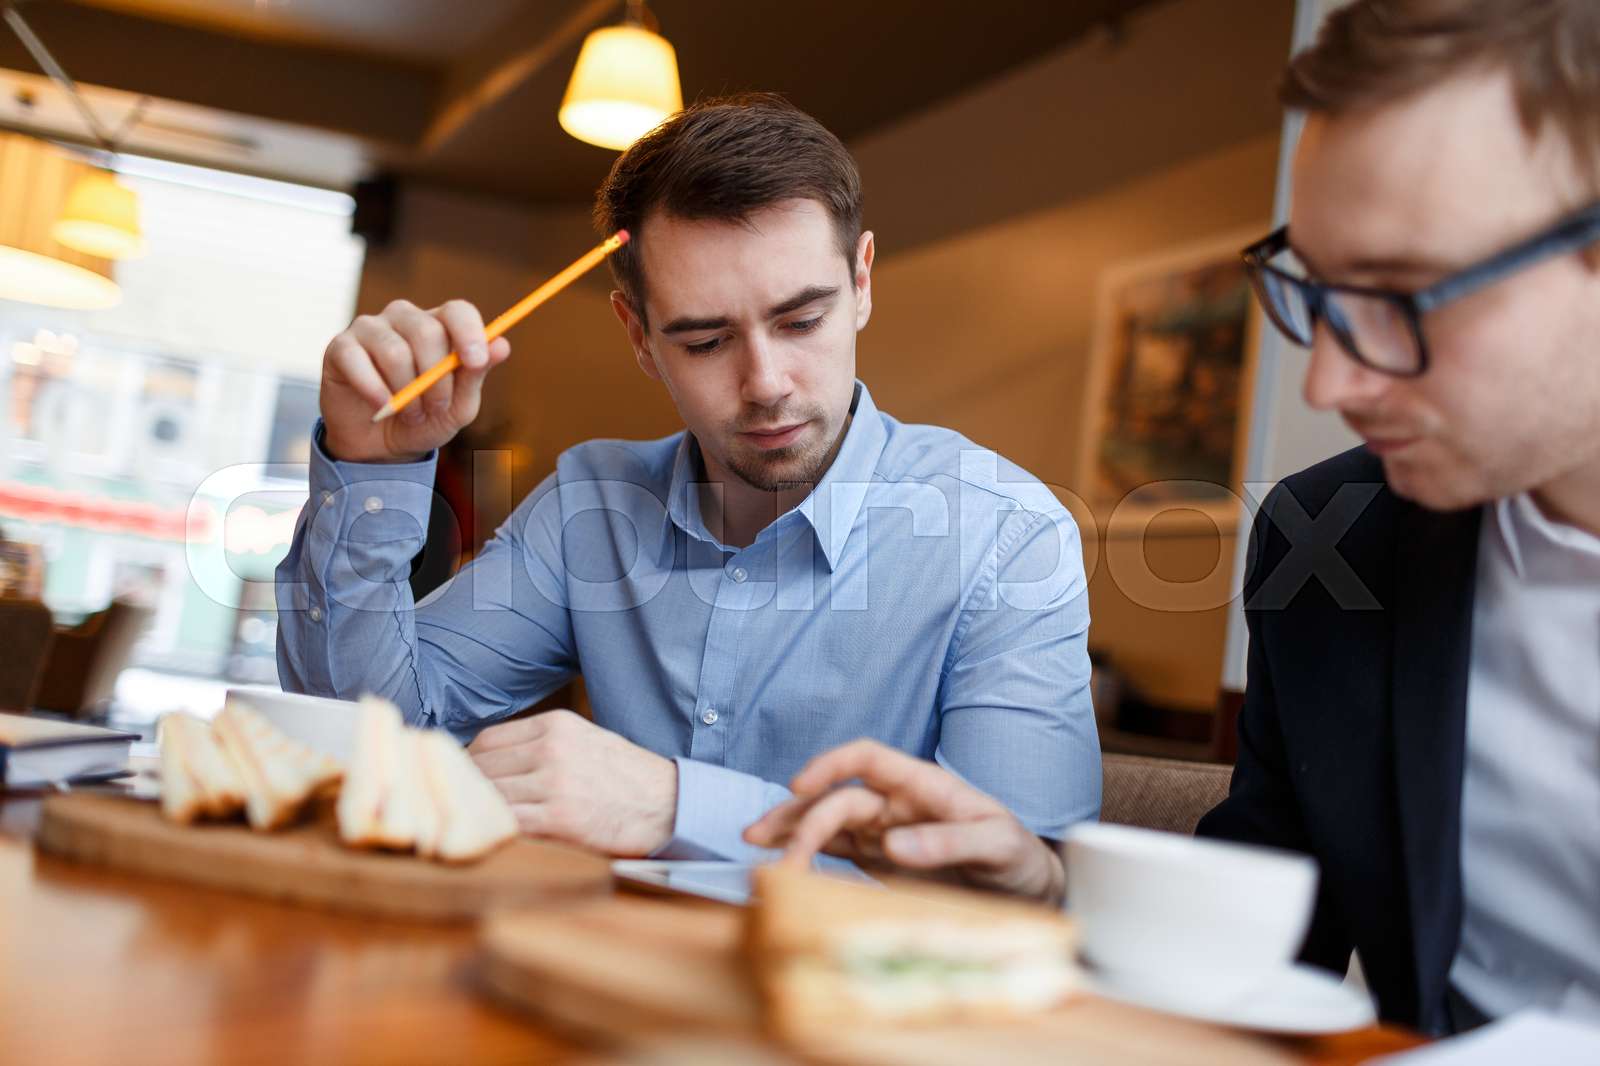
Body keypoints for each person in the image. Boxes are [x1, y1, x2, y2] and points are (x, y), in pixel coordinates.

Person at [749, 0, 1600, 1034]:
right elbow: (1249, 953)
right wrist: (1040, 885)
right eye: (1317, 292)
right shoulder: (1329, 538)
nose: (1327, 382)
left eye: (1401, 298)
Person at [275, 93, 1100, 864]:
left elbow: (1017, 885)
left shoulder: (1006, 537)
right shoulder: (591, 509)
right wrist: (371, 464)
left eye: (802, 320)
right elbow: (363, 728)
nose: (766, 382)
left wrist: (679, 806)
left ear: (861, 282)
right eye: (705, 342)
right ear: (638, 335)